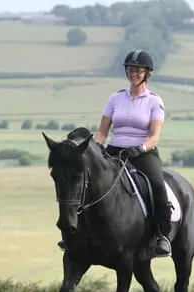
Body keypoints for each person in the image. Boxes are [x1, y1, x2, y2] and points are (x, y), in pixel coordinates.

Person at [57, 49, 173, 257]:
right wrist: (93, 149)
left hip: (143, 153)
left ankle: (161, 235)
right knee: (86, 182)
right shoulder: (115, 98)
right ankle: (75, 232)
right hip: (114, 150)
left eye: (138, 70)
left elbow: (155, 136)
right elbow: (102, 132)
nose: (134, 74)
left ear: (147, 73)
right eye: (131, 70)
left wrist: (141, 148)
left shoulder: (154, 101)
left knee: (157, 185)